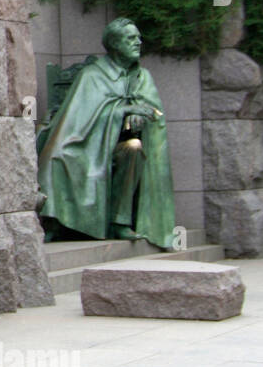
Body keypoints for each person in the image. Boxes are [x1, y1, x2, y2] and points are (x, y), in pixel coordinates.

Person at [36, 17, 176, 248]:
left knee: (134, 148)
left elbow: (154, 112)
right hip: (85, 147)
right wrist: (122, 110)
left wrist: (140, 116)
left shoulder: (143, 77)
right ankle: (55, 222)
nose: (138, 42)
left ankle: (119, 222)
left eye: (139, 37)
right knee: (56, 157)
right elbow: (75, 120)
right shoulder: (91, 75)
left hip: (119, 147)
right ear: (114, 44)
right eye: (130, 38)